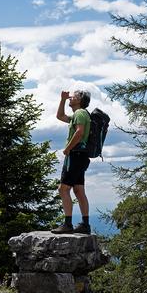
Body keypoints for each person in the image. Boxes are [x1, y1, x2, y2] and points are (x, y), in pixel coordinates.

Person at [51, 90, 92, 235]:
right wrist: (62, 99)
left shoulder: (80, 113)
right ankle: (85, 225)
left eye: (74, 96)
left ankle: (67, 224)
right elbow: (60, 116)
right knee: (79, 190)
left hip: (75, 155)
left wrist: (67, 149)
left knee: (63, 189)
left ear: (80, 100)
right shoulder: (78, 114)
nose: (71, 97)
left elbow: (79, 132)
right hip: (81, 156)